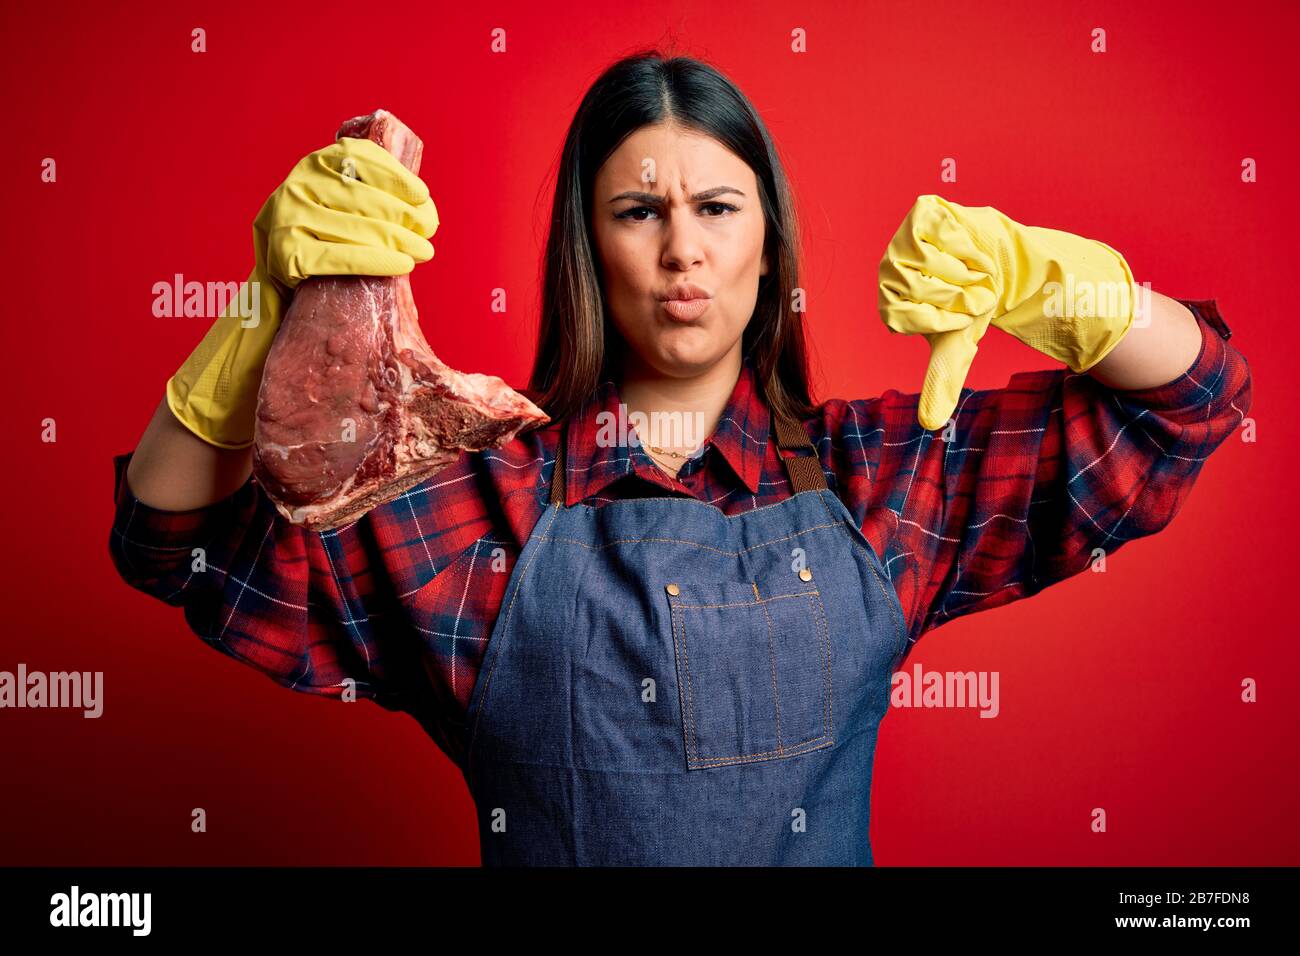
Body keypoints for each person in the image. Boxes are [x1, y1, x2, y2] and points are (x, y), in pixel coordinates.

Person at [108, 51, 1252, 866]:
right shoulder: (475, 505)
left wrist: (1058, 285)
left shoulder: (879, 480)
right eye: (636, 211)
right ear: (585, 245)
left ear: (769, 245)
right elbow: (180, 547)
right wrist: (264, 320)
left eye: (717, 205)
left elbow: (1190, 403)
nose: (683, 249)